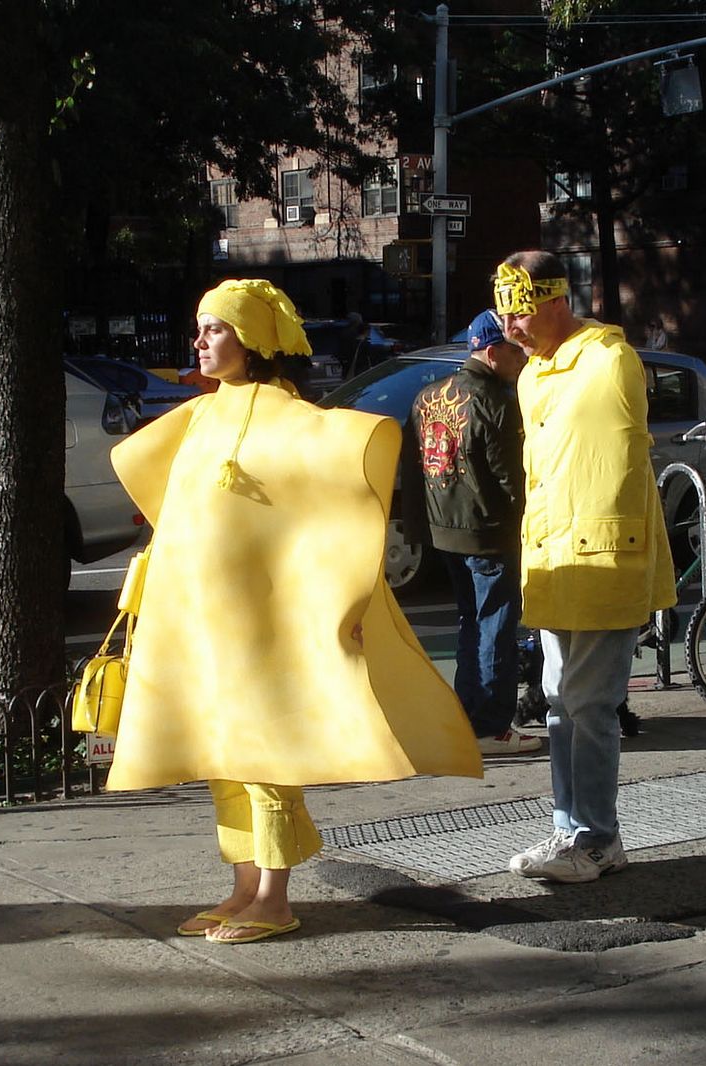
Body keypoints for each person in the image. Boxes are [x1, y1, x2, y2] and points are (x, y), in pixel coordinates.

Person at [106, 279, 483, 943]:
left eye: (215, 328)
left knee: (265, 753)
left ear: (253, 339)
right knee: (220, 751)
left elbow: (339, 481)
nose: (199, 341)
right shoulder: (201, 414)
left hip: (263, 621)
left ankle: (274, 898)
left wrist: (338, 594)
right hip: (198, 615)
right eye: (200, 327)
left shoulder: (292, 418)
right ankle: (242, 886)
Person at [494, 251, 676, 883]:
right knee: (556, 703)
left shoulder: (609, 359)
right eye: (503, 314)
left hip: (603, 559)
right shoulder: (531, 375)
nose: (509, 327)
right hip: (553, 558)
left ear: (556, 300)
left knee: (588, 704)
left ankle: (598, 838)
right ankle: (570, 830)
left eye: (519, 312)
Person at [406, 310, 540, 754]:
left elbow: (414, 468)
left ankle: (467, 717)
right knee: (495, 627)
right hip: (488, 529)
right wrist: (530, 519)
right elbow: (511, 476)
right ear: (492, 352)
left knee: (470, 624)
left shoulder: (427, 396)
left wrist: (420, 526)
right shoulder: (496, 400)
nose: (522, 358)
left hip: (444, 528)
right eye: (514, 350)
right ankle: (489, 726)